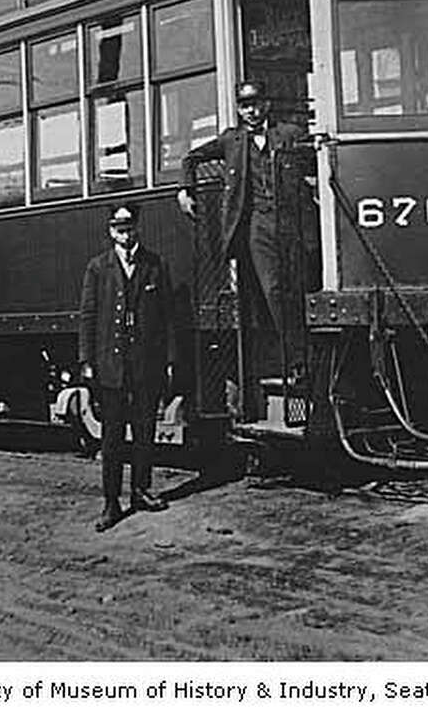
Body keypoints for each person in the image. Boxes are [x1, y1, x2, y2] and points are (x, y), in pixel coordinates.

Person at [177, 80, 312, 387]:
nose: (251, 110)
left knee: (298, 288)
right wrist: (186, 190)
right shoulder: (231, 140)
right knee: (274, 289)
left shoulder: (289, 134)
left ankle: (301, 356)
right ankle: (296, 363)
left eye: (256, 103)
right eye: (245, 105)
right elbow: (191, 158)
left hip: (292, 222)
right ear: (239, 109)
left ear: (267, 104)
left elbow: (313, 161)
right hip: (256, 227)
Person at [78, 203, 175, 532]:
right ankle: (110, 502)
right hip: (111, 366)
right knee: (112, 437)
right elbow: (88, 317)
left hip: (145, 365)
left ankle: (141, 491)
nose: (125, 234)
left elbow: (166, 320)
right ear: (110, 231)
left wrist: (169, 362)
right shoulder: (97, 268)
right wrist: (87, 361)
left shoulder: (155, 265)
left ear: (137, 230)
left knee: (145, 430)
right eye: (119, 229)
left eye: (130, 228)